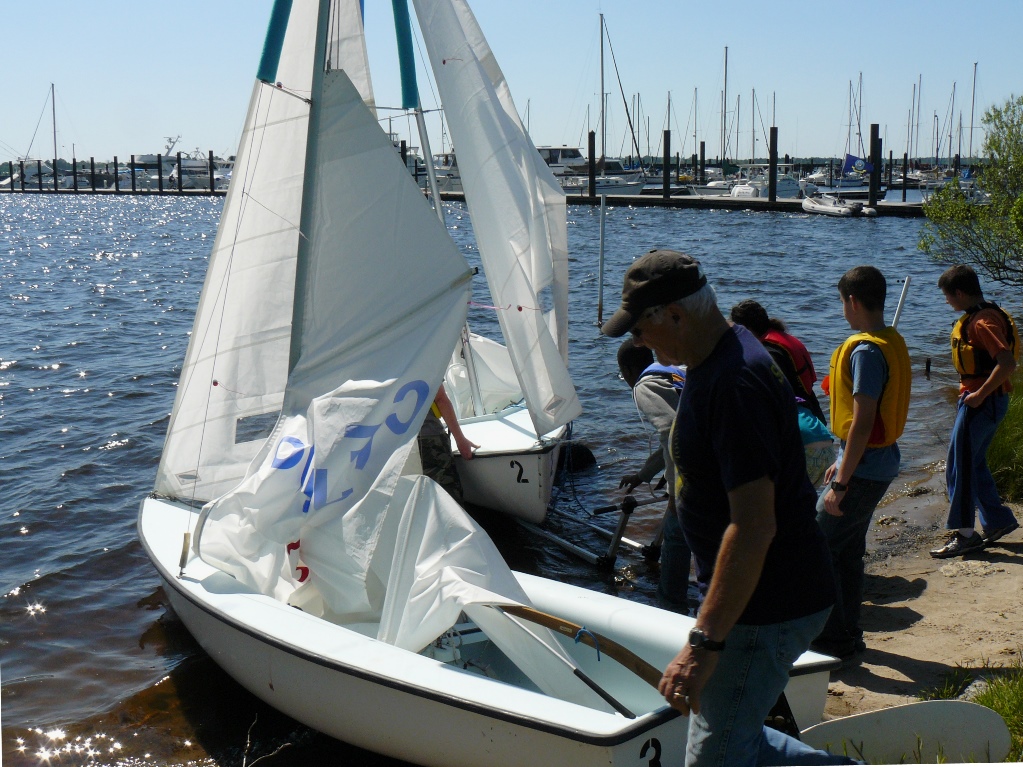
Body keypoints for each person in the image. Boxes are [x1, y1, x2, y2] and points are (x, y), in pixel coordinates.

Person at [602, 249, 850, 767]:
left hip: (766, 604)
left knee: (714, 757)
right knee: (736, 736)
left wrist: (702, 643)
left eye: (640, 329)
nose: (637, 342)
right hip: (758, 596)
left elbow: (754, 525)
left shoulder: (734, 382)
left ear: (675, 314)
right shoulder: (718, 354)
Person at [814, 266, 911, 663]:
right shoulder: (888, 340)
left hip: (865, 469)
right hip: (876, 463)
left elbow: (863, 421)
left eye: (841, 302)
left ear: (852, 301)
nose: (842, 309)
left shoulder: (866, 351)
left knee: (819, 549)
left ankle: (833, 643)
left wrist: (841, 482)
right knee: (847, 552)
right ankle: (849, 636)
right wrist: (841, 461)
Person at [930, 264, 1020, 558]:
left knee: (959, 467)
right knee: (975, 463)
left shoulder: (982, 322)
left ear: (959, 292)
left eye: (947, 296)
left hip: (982, 403)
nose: (946, 302)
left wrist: (980, 395)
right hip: (989, 402)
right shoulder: (986, 313)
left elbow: (1007, 363)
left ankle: (965, 534)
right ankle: (998, 521)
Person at [616, 339, 692, 612]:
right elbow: (674, 433)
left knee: (676, 533)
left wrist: (673, 494)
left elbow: (672, 432)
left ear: (627, 370)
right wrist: (643, 475)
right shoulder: (675, 371)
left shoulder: (644, 386)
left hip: (699, 466)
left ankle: (670, 608)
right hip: (722, 452)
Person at [730, 299, 834, 486]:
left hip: (801, 442)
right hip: (819, 433)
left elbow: (767, 404)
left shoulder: (768, 353)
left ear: (745, 330)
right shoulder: (781, 341)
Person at [417, 383, 478, 502]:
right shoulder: (422, 368)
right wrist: (460, 440)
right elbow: (440, 399)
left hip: (396, 445)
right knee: (448, 496)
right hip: (429, 438)